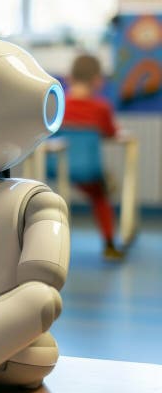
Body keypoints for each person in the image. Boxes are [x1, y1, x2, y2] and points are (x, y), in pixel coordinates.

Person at [63, 54, 123, 259]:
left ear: (68, 77)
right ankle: (109, 244)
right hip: (88, 170)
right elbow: (111, 133)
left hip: (56, 166)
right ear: (98, 80)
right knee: (100, 194)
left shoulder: (59, 104)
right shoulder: (101, 108)